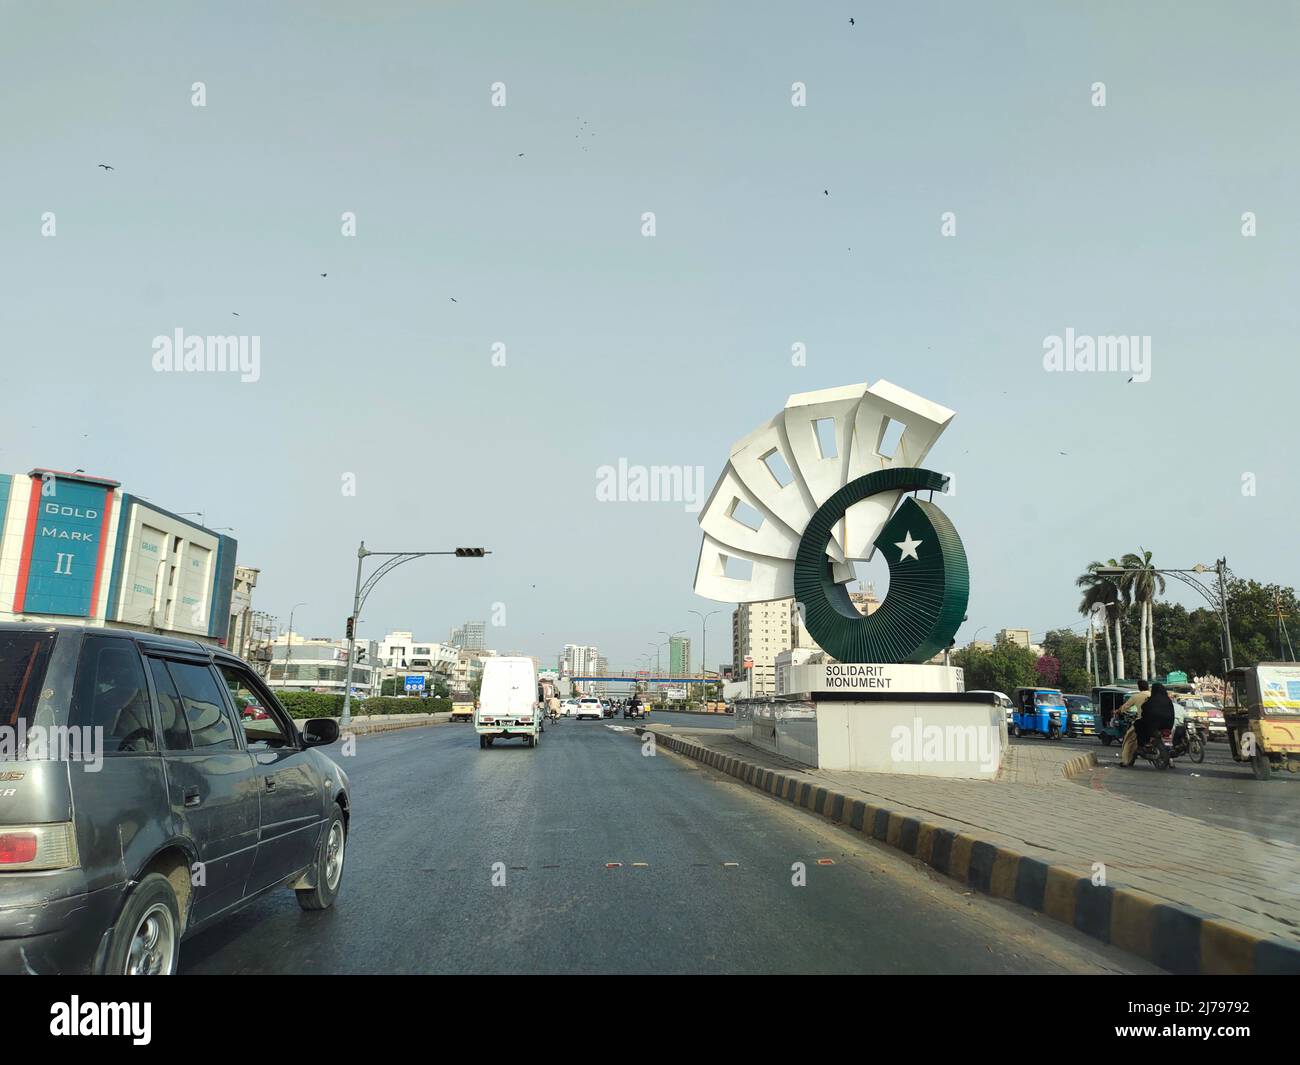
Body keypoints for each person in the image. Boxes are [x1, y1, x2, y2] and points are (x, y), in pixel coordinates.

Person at [1116, 680, 1150, 767]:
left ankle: (1125, 761)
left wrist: (1118, 711)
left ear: (1139, 687)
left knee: (1128, 739)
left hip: (1141, 721)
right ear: (1148, 687)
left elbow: (1125, 707)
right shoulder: (1153, 695)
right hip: (1156, 722)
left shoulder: (1136, 696)